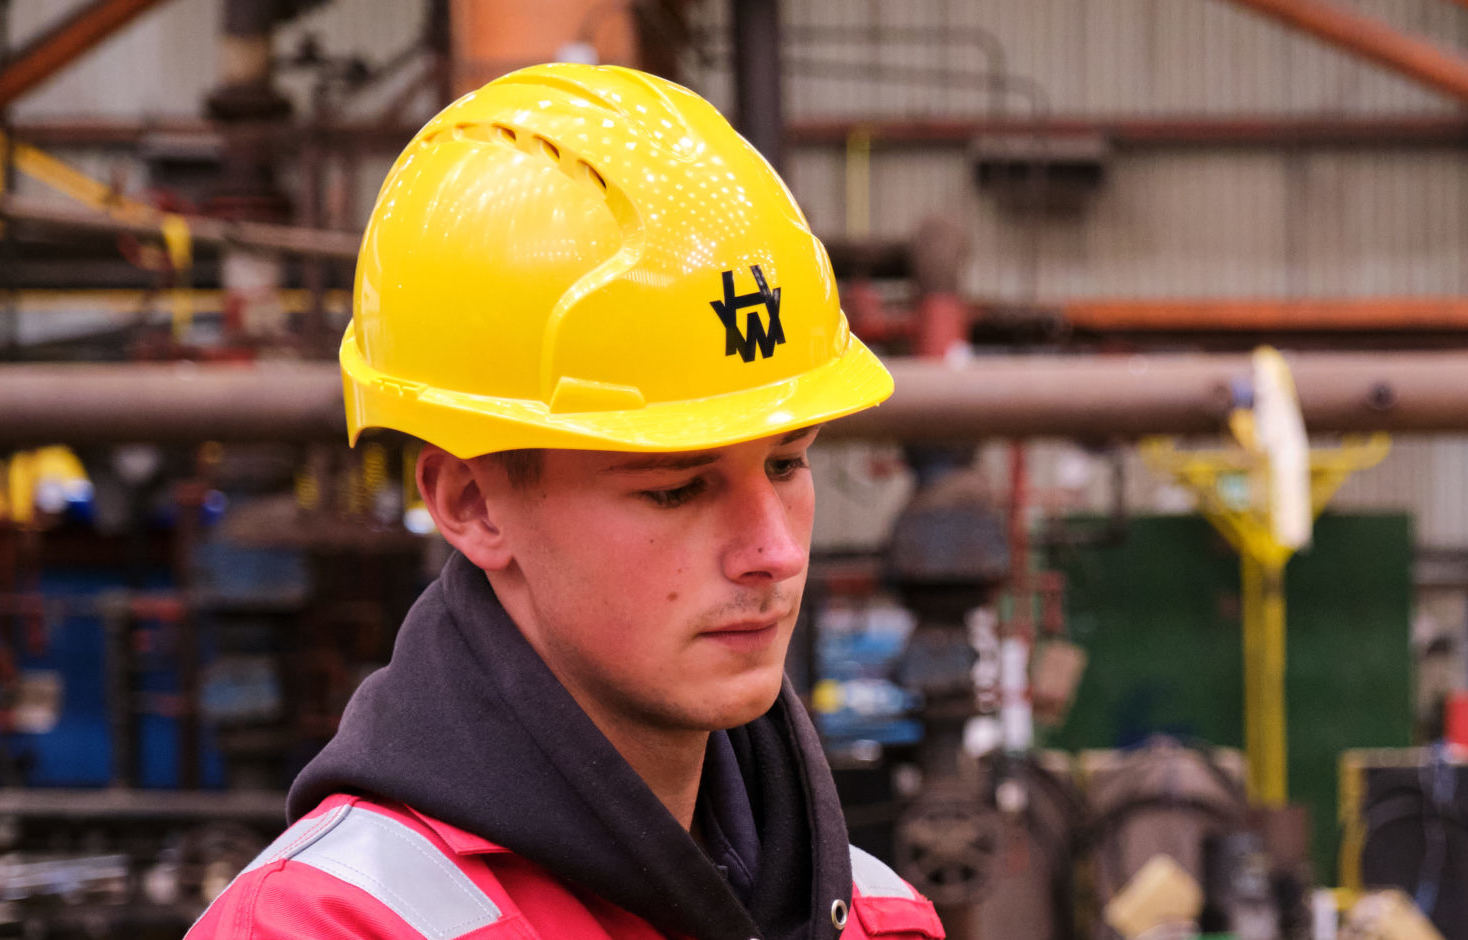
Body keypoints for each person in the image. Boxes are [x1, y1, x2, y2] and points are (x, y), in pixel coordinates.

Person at [188, 63, 939, 940]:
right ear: (472, 504)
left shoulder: (881, 918)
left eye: (786, 465)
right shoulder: (325, 927)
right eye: (676, 487)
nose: (772, 552)